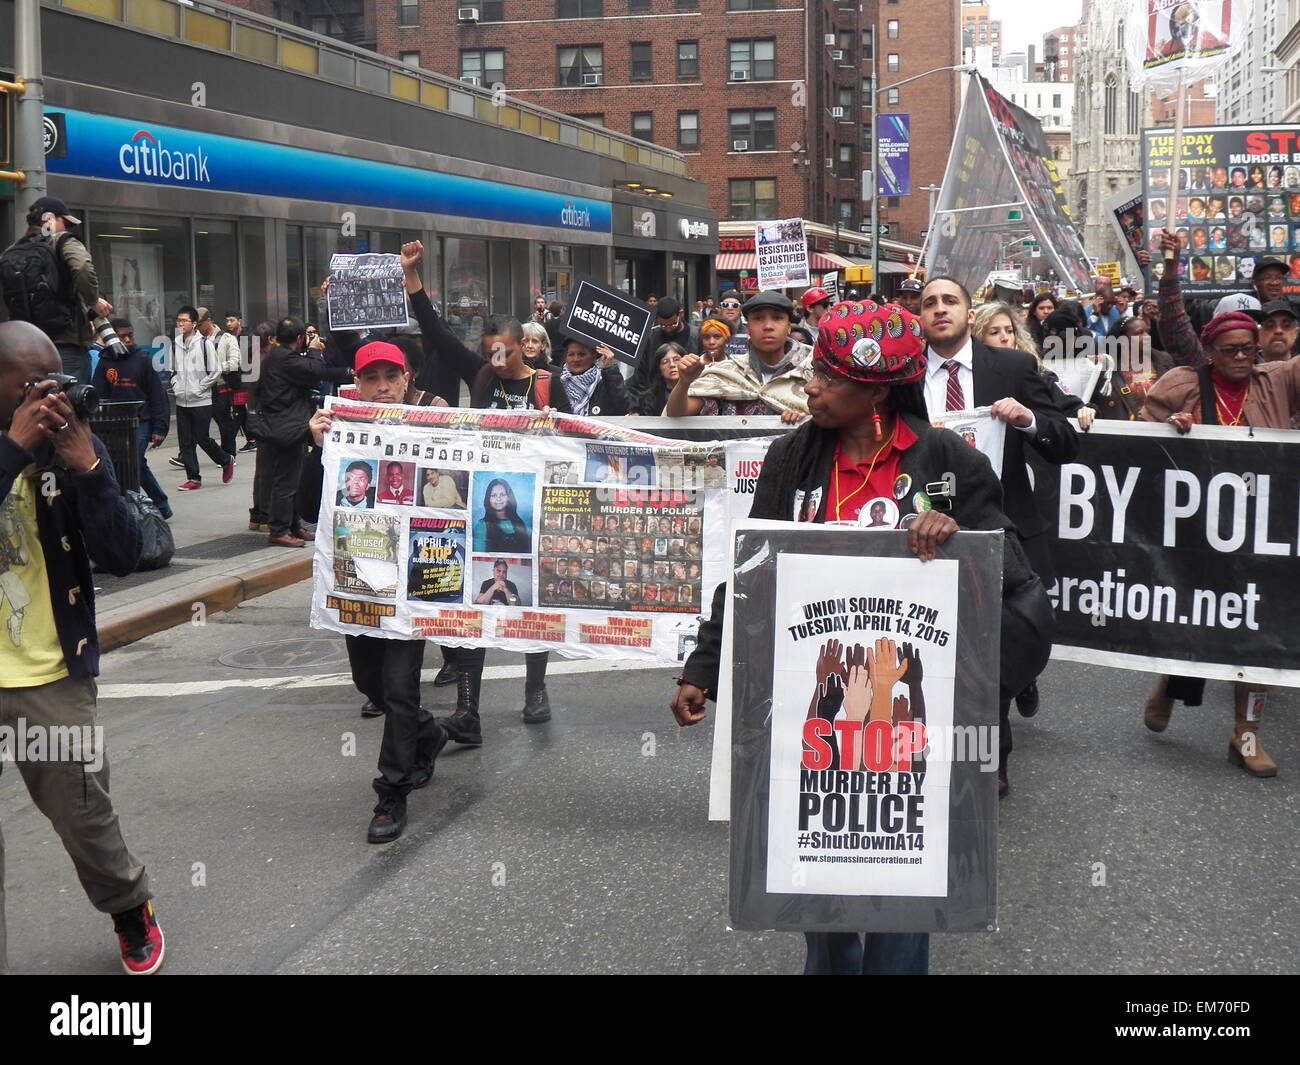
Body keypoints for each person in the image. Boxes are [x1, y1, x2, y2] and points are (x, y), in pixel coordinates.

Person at [670, 300, 1040, 973]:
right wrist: (704, 663)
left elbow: (1011, 572)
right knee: (819, 890)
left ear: (877, 390)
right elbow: (751, 569)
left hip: (909, 718)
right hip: (816, 712)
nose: (811, 385)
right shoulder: (790, 459)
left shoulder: (945, 460)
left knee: (903, 897)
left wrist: (959, 538)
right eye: (814, 370)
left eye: (830, 377)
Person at [0, 319, 162, 975]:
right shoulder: (16, 449)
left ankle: (129, 905)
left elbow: (124, 554)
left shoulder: (65, 455)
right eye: (31, 384)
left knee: (84, 814)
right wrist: (12, 450)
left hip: (46, 674)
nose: (48, 398)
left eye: (55, 381)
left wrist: (90, 467)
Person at [920, 277, 1078, 771]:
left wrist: (1028, 418)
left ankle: (992, 763)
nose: (940, 309)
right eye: (929, 303)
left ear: (971, 314)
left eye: (950, 301)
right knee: (935, 650)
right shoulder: (903, 377)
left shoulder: (1011, 367)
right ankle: (930, 753)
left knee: (996, 648)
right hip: (925, 533)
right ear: (918, 317)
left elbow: (1066, 442)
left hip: (1001, 532)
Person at [1139, 312, 1300, 777]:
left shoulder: (1279, 379)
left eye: (1247, 349)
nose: (1240, 358)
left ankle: (1245, 733)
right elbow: (1136, 446)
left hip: (1264, 531)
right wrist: (1172, 425)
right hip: (1198, 532)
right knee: (1201, 621)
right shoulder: (1183, 382)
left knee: (1258, 634)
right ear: (1208, 352)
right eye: (1228, 350)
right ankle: (1172, 680)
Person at [308, 341, 449, 843]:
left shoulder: (435, 428)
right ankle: (426, 735)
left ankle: (391, 793)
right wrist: (317, 449)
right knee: (370, 684)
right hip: (362, 580)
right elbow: (308, 506)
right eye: (374, 378)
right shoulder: (341, 433)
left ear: (407, 379)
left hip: (414, 584)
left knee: (399, 686)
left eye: (392, 376)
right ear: (357, 383)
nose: (384, 386)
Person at [255, 317, 349, 546]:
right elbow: (316, 370)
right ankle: (279, 529)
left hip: (288, 423)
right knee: (286, 480)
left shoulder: (279, 356)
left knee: (294, 478)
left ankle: (293, 526)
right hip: (285, 426)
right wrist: (315, 351)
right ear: (299, 338)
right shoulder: (284, 358)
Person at [1, 197, 111, 382]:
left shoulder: (12, 251)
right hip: (64, 344)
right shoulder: (62, 240)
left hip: (25, 348)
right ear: (50, 220)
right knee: (69, 403)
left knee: (37, 403)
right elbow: (83, 267)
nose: (67, 228)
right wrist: (93, 301)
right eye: (65, 222)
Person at [665, 291, 812, 418]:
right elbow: (677, 413)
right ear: (748, 328)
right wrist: (684, 382)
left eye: (777, 318)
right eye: (758, 319)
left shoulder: (813, 370)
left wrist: (802, 418)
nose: (768, 326)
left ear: (788, 327)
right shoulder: (724, 372)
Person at [90, 317, 173, 519]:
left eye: (130, 335)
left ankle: (136, 507)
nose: (127, 340)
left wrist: (160, 428)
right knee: (131, 464)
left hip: (141, 422)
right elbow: (98, 396)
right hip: (115, 425)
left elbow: (157, 395)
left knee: (133, 462)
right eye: (122, 336)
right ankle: (159, 505)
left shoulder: (143, 359)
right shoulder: (104, 362)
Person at [168, 305, 235, 492]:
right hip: (182, 400)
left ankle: (225, 459)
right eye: (178, 320)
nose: (180, 324)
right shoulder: (175, 344)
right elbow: (172, 369)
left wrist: (200, 387)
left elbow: (215, 371)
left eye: (184, 321)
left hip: (201, 400)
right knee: (185, 441)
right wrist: (176, 386)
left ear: (194, 324)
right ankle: (193, 478)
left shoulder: (204, 344)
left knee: (202, 438)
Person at [195, 307, 242, 461]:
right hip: (201, 388)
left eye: (200, 324)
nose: (198, 328)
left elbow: (235, 363)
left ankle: (229, 454)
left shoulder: (226, 338)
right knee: (196, 424)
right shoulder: (195, 340)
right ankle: (186, 455)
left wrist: (215, 368)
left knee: (224, 422)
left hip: (220, 386)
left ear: (209, 321)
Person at [559, 337, 629, 417]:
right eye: (571, 354)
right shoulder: (557, 382)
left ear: (594, 358)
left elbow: (623, 408)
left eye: (582, 354)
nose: (576, 359)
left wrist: (609, 369)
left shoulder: (606, 382)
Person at [474, 477, 530, 552]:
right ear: (488, 499)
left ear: (509, 497)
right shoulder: (482, 525)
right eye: (494, 495)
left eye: (502, 494)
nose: (498, 499)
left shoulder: (519, 523)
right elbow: (478, 554)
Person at [637, 341, 686, 416]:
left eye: (676, 359)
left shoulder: (696, 390)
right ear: (659, 370)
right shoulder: (649, 399)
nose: (672, 365)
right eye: (665, 362)